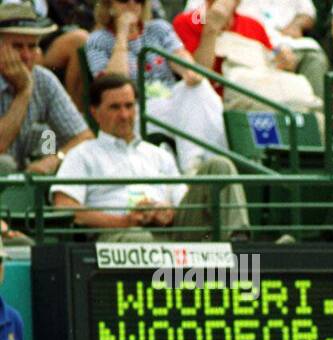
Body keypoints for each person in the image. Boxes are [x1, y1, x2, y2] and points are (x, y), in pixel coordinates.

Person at [51, 73, 252, 239]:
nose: (124, 115)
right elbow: (65, 208)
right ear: (95, 112)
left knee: (219, 166)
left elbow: (181, 200)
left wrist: (166, 211)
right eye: (115, 107)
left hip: (172, 231)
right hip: (118, 235)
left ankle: (239, 245)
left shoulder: (158, 153)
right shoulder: (82, 154)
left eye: (129, 106)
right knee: (139, 238)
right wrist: (125, 222)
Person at [85, 0, 228, 172]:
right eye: (123, 0)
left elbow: (185, 63)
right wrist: (122, 34)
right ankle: (197, 169)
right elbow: (114, 84)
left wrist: (188, 71)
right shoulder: (97, 40)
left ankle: (198, 166)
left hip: (169, 102)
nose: (132, 4)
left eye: (138, 0)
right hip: (134, 108)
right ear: (110, 5)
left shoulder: (159, 28)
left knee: (199, 88)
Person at [0, 3, 91, 174]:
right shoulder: (31, 82)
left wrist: (55, 159)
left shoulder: (43, 79)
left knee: (48, 136)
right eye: (17, 47)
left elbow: (83, 137)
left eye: (32, 46)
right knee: (3, 164)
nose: (27, 56)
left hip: (32, 175)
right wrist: (24, 91)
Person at [184, 0, 328, 100]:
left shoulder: (253, 25)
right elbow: (196, 75)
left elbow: (273, 53)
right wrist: (211, 27)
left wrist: (282, 56)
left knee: (312, 62)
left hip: (279, 45)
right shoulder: (188, 20)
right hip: (224, 60)